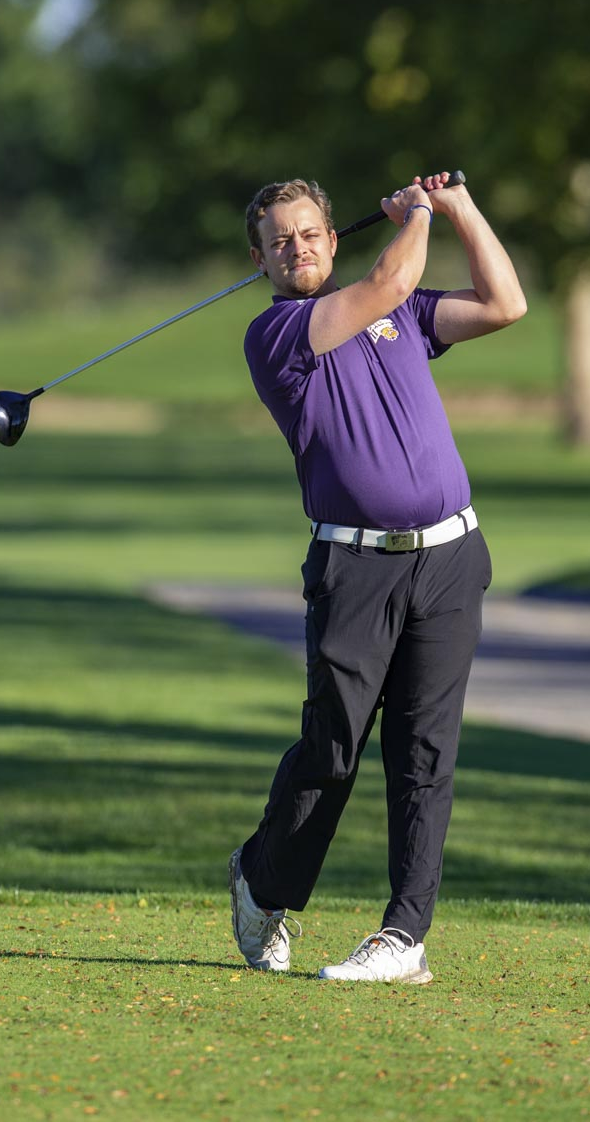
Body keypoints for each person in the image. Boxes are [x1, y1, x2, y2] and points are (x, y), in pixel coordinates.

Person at [229, 172, 526, 983]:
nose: (298, 247)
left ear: (334, 237)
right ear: (258, 258)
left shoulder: (402, 313)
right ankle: (263, 883)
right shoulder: (279, 334)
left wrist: (462, 209)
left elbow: (506, 305)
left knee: (426, 754)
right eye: (279, 239)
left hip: (451, 560)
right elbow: (389, 276)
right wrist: (421, 211)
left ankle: (405, 936)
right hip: (354, 567)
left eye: (310, 232)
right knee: (333, 749)